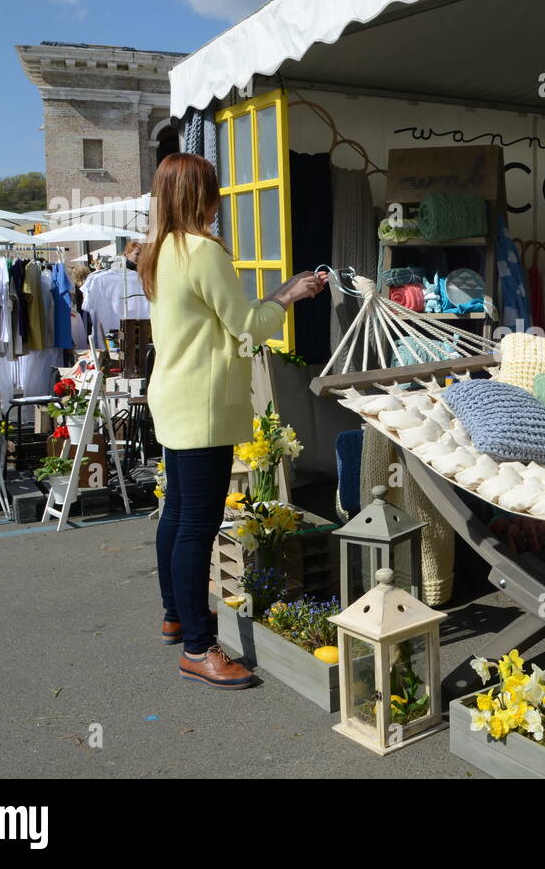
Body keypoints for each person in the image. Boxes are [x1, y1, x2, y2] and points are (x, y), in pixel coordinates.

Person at [143, 152, 326, 689]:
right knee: (197, 525)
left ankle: (176, 614)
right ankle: (199, 646)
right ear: (204, 198)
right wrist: (288, 297)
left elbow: (222, 320)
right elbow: (246, 328)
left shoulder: (160, 251)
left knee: (177, 515)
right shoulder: (203, 251)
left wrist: (271, 297)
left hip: (174, 397)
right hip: (203, 403)